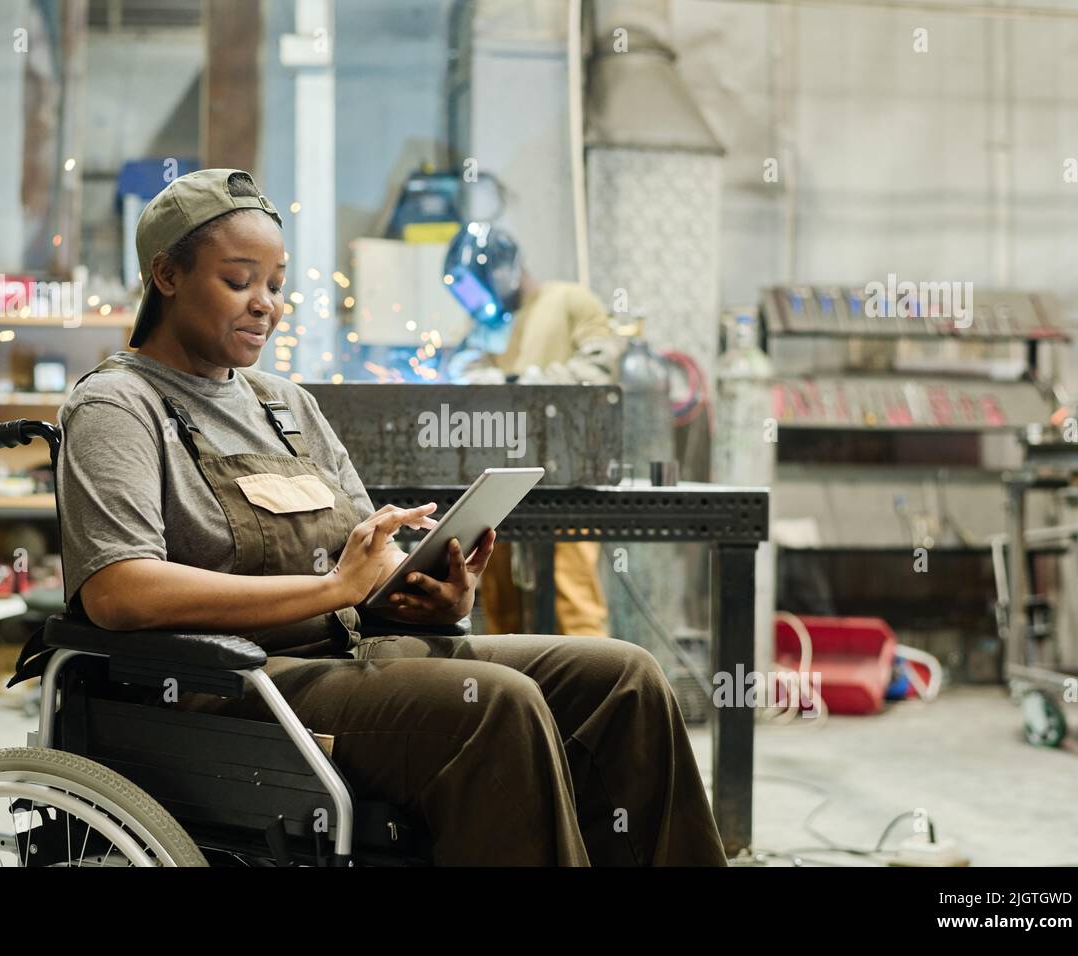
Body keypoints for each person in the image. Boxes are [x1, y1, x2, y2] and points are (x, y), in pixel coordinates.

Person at [56, 168, 726, 866]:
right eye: (238, 281)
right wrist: (329, 591)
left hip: (346, 658)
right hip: (225, 691)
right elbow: (119, 591)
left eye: (276, 285)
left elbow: (361, 567)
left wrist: (426, 599)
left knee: (625, 680)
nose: (266, 306)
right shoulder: (117, 407)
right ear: (166, 275)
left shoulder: (283, 406)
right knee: (495, 704)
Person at [443, 223, 622, 637]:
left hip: (567, 483)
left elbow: (598, 370)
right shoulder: (486, 323)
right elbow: (459, 371)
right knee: (504, 614)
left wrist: (519, 383)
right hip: (499, 484)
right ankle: (518, 700)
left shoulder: (569, 300)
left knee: (573, 603)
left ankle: (590, 696)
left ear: (506, 271)